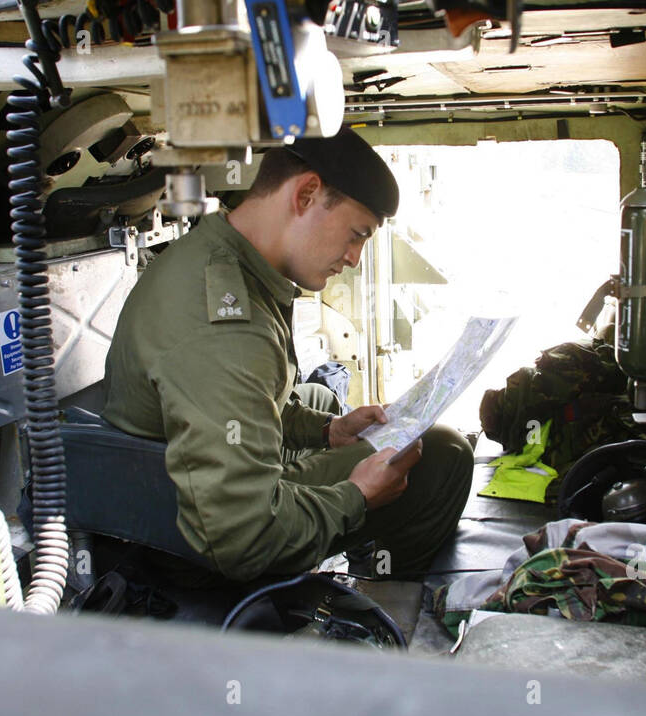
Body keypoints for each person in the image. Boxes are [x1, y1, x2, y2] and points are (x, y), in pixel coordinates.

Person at [102, 127, 473, 585]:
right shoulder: (227, 330)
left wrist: (329, 431)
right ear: (307, 194)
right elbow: (242, 538)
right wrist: (357, 497)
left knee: (318, 396)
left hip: (175, 489)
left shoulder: (215, 255)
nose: (355, 258)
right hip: (193, 539)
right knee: (441, 452)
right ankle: (384, 603)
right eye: (357, 235)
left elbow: (248, 406)